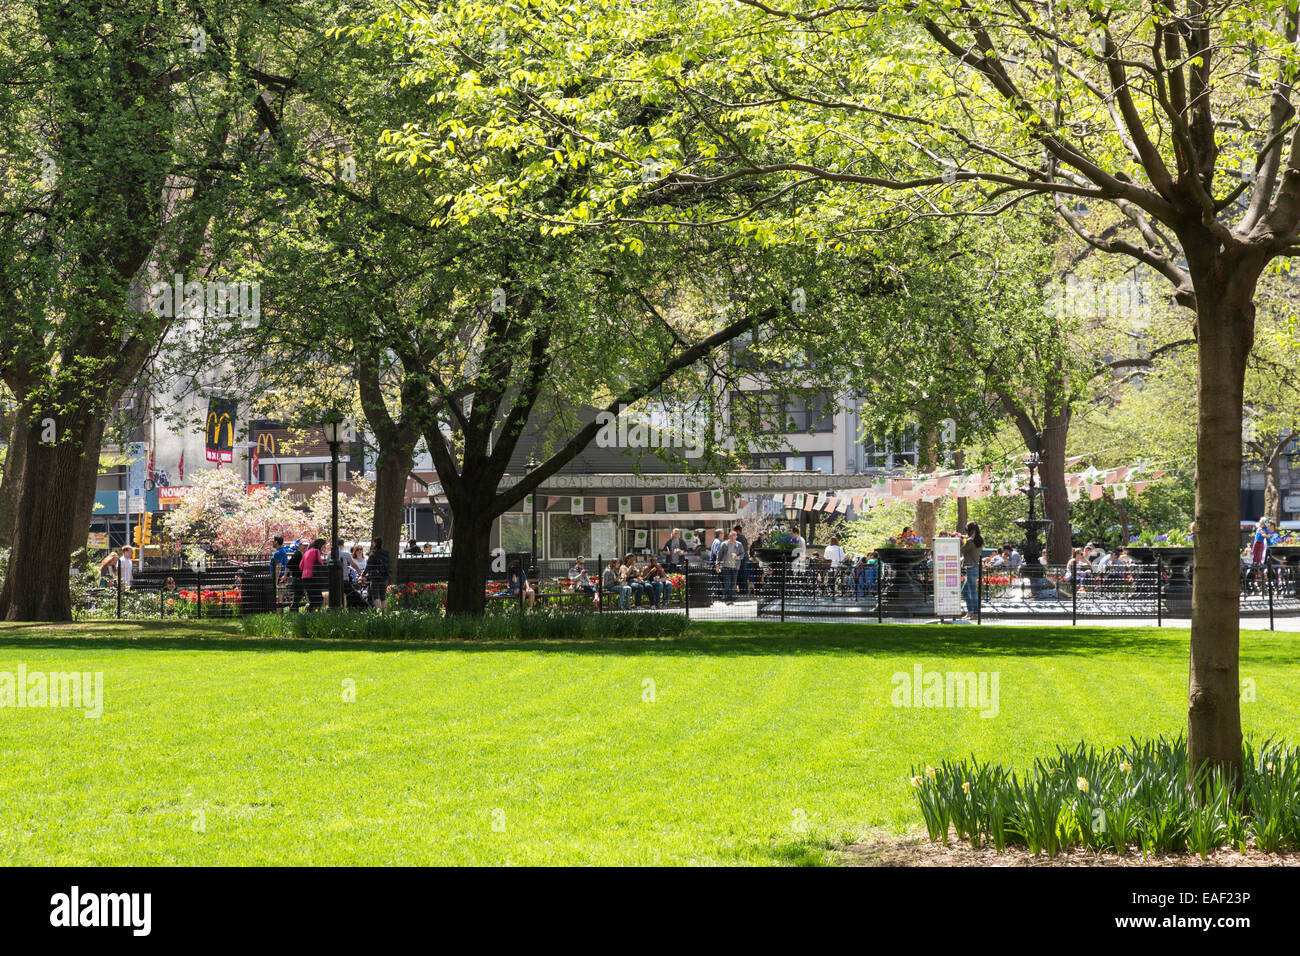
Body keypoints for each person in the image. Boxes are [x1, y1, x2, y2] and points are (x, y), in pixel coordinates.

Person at [959, 522, 983, 619]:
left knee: (972, 592)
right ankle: (970, 612)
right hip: (976, 568)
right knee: (965, 591)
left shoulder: (969, 541)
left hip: (971, 568)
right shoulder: (980, 540)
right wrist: (963, 537)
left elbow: (961, 550)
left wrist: (960, 540)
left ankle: (975, 614)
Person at [718, 530, 746, 604]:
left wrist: (738, 557)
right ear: (729, 536)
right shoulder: (724, 544)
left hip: (735, 567)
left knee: (733, 583)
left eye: (735, 536)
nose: (733, 538)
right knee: (727, 583)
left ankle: (732, 598)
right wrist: (717, 565)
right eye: (732, 536)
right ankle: (727, 599)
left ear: (736, 537)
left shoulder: (739, 544)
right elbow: (719, 555)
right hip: (726, 566)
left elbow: (743, 554)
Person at [364, 536, 392, 610]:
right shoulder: (386, 553)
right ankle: (385, 614)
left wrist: (363, 575)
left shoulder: (373, 554)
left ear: (375, 543)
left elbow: (369, 566)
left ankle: (379, 614)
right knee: (383, 597)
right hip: (384, 577)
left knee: (376, 596)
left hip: (375, 577)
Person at [301, 538, 326, 611]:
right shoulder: (316, 551)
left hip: (304, 578)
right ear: (320, 545)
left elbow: (301, 566)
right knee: (319, 599)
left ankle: (309, 614)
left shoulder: (306, 552)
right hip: (313, 578)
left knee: (312, 599)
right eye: (324, 546)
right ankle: (313, 614)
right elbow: (320, 564)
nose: (324, 548)